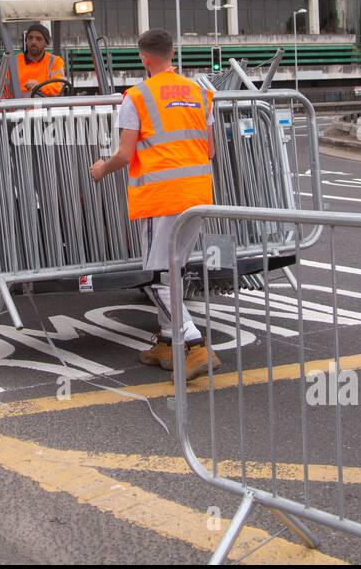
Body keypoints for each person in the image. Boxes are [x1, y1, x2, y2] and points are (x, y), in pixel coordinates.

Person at [89, 27, 221, 381]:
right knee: (172, 271)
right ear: (171, 52)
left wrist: (102, 168)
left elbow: (124, 153)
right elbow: (209, 149)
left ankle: (194, 344)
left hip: (161, 198)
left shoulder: (138, 96)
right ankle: (167, 341)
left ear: (143, 57)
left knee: (155, 277)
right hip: (198, 196)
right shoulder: (199, 92)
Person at [11, 23, 66, 98]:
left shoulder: (55, 61)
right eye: (30, 38)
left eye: (38, 39)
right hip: (19, 108)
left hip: (47, 108)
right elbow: (5, 90)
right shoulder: (13, 62)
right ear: (26, 41)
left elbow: (58, 87)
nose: (33, 42)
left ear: (46, 43)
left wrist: (39, 87)